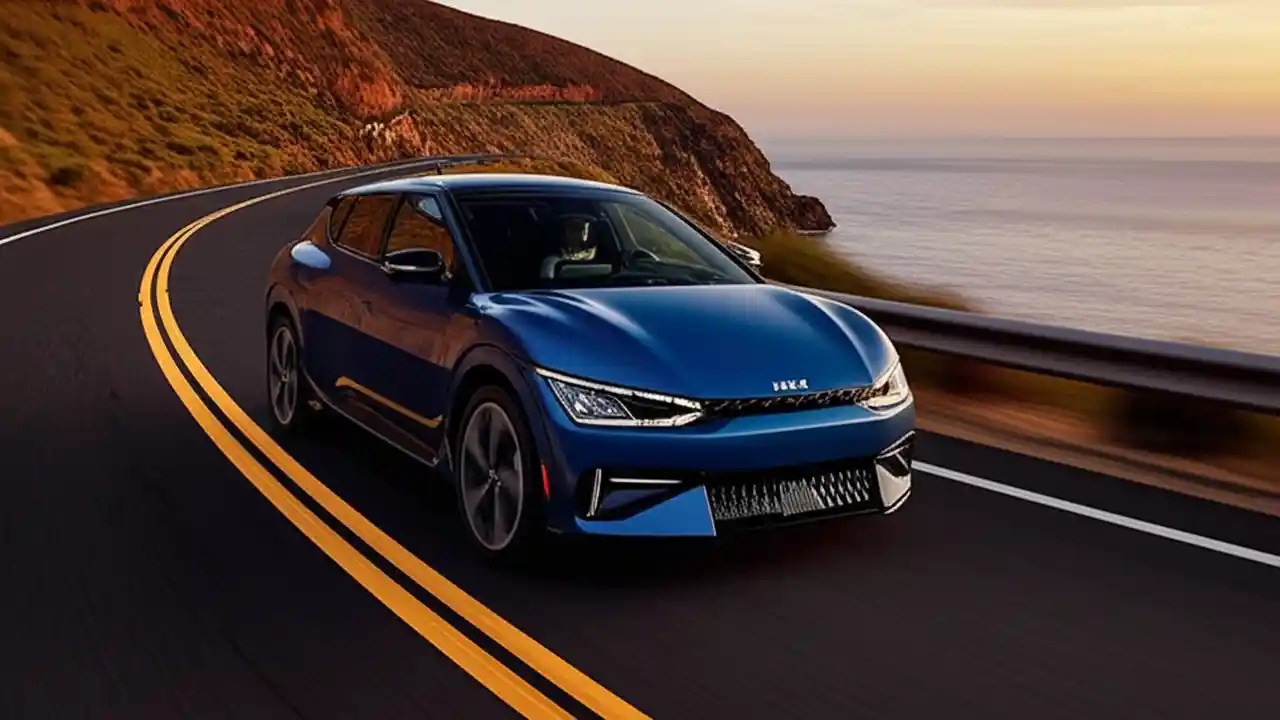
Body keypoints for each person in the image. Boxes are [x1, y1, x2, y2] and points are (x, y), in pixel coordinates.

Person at [540, 214, 598, 279]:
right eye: (574, 228)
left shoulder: (594, 257)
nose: (582, 233)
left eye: (582, 228)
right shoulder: (552, 263)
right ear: (563, 232)